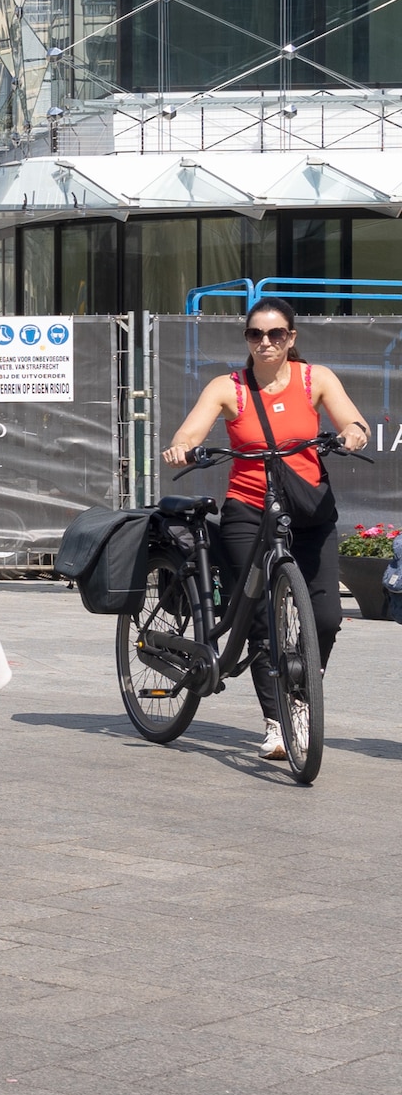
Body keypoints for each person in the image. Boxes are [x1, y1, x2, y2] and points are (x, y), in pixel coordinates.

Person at [161, 295, 368, 761]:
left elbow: (352, 421)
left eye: (276, 334)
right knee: (260, 622)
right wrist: (182, 448)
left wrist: (353, 434)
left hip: (309, 509)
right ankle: (278, 723)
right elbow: (189, 433)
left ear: (292, 338)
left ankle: (303, 683)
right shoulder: (227, 387)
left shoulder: (316, 378)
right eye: (256, 334)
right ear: (247, 340)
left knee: (327, 618)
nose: (266, 342)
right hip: (249, 511)